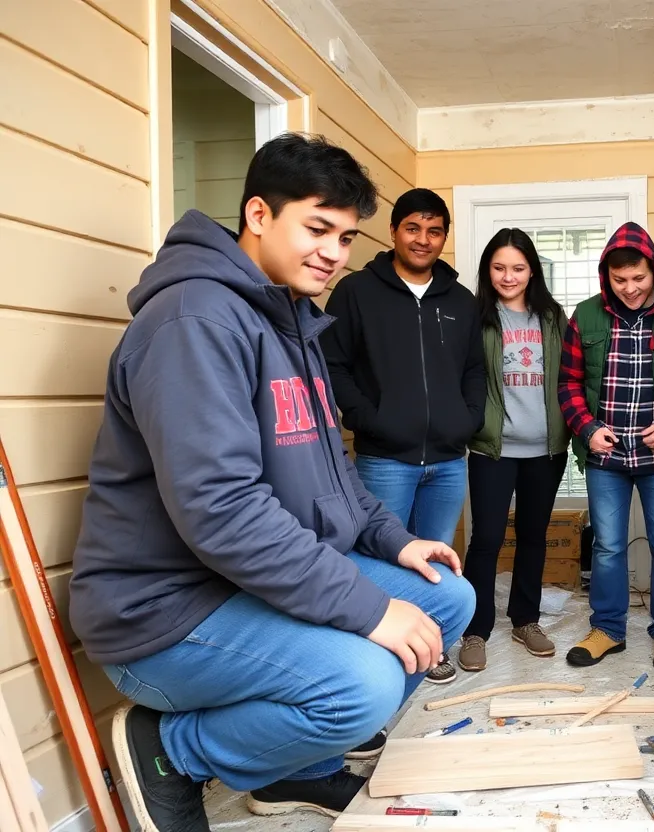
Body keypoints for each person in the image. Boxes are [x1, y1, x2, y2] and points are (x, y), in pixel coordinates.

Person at [68, 134, 475, 832]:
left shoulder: (291, 320)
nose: (334, 253)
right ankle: (171, 751)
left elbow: (331, 469)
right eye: (317, 228)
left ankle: (293, 767)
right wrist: (367, 609)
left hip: (245, 581)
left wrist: (392, 539)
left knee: (445, 602)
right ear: (258, 214)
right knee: (363, 683)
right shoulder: (194, 320)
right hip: (166, 611)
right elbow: (221, 511)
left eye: (346, 237)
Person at [321, 187, 486, 684]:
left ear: (444, 238)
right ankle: (385, 652)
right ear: (393, 231)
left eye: (434, 231)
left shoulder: (460, 300)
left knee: (434, 559)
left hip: (447, 461)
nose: (423, 239)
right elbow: (334, 365)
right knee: (384, 560)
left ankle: (430, 649)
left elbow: (474, 369)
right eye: (413, 228)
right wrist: (369, 419)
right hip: (384, 459)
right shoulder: (356, 292)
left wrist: (467, 419)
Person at [558, 222, 654, 670]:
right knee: (608, 547)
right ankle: (608, 629)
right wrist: (587, 428)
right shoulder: (586, 315)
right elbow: (569, 383)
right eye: (620, 281)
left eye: (639, 278)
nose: (630, 289)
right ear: (606, 277)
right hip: (605, 455)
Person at [458, 228, 572, 672]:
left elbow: (569, 377)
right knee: (486, 539)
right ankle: (475, 628)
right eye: (500, 267)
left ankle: (526, 619)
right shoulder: (476, 317)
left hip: (546, 449)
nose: (509, 276)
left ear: (532, 271)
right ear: (488, 270)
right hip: (493, 448)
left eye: (518, 268)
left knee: (533, 536)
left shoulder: (552, 318)